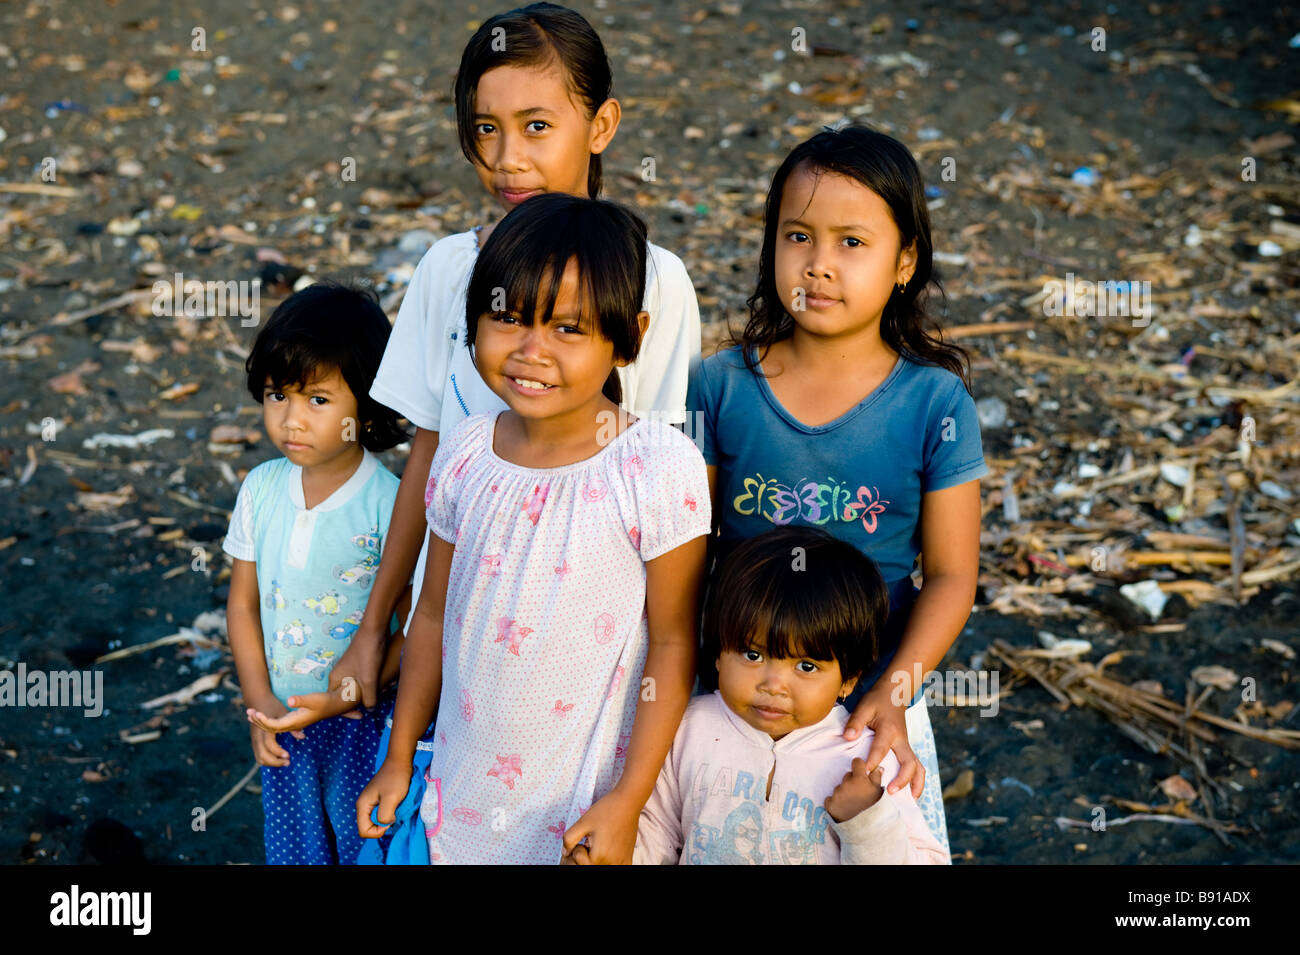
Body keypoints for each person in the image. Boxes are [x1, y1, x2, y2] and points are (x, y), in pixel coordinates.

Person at [332, 2, 701, 716]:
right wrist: (378, 626)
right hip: (458, 626)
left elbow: (662, 488)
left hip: (589, 654)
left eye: (537, 126)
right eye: (485, 129)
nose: (507, 158)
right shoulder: (447, 269)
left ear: (600, 126)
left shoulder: (655, 281)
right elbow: (429, 458)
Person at [355, 194, 711, 865]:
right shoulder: (463, 453)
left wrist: (629, 800)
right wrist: (400, 756)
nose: (530, 350)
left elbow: (671, 643)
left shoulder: (656, 468)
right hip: (457, 803)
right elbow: (431, 615)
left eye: (569, 329)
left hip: (582, 814)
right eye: (507, 317)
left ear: (627, 337)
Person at [688, 124, 988, 855]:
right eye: (798, 237)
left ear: (905, 261)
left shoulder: (935, 405)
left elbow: (952, 576)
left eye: (852, 242)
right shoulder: (720, 385)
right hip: (735, 690)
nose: (819, 265)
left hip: (866, 701)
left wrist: (895, 690)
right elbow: (687, 553)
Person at [223, 282, 408, 864]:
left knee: (364, 841)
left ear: (367, 406)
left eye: (318, 400)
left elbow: (412, 628)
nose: (292, 420)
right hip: (286, 721)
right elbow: (243, 605)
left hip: (364, 719)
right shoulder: (260, 489)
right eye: (279, 395)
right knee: (296, 848)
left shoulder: (389, 504)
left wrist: (348, 696)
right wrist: (260, 705)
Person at [631, 527, 950, 865]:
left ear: (848, 680)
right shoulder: (687, 729)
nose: (774, 685)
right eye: (753, 655)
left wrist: (867, 821)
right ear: (718, 654)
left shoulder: (867, 760)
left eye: (807, 666)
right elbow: (659, 834)